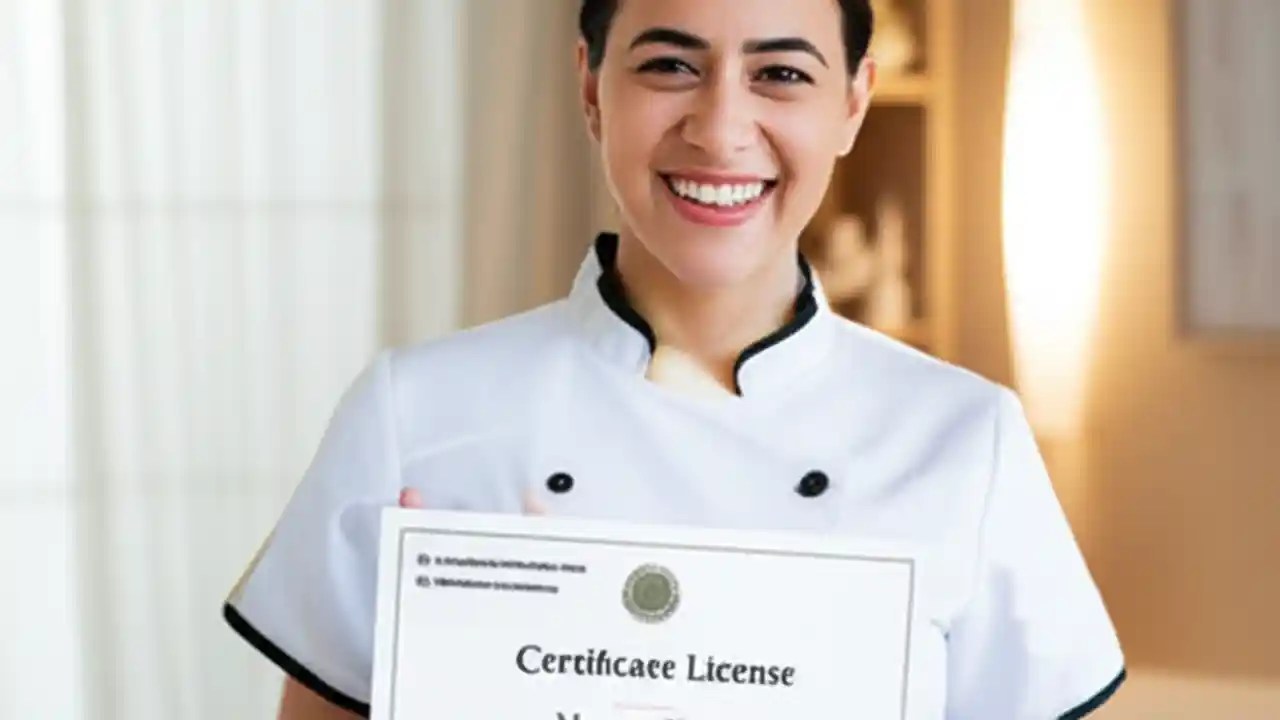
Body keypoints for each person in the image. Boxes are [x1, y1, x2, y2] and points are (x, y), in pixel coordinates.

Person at [224, 0, 1126, 718]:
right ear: (590, 88)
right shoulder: (415, 410)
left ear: (853, 101)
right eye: (669, 66)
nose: (722, 127)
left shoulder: (966, 438)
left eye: (780, 73)